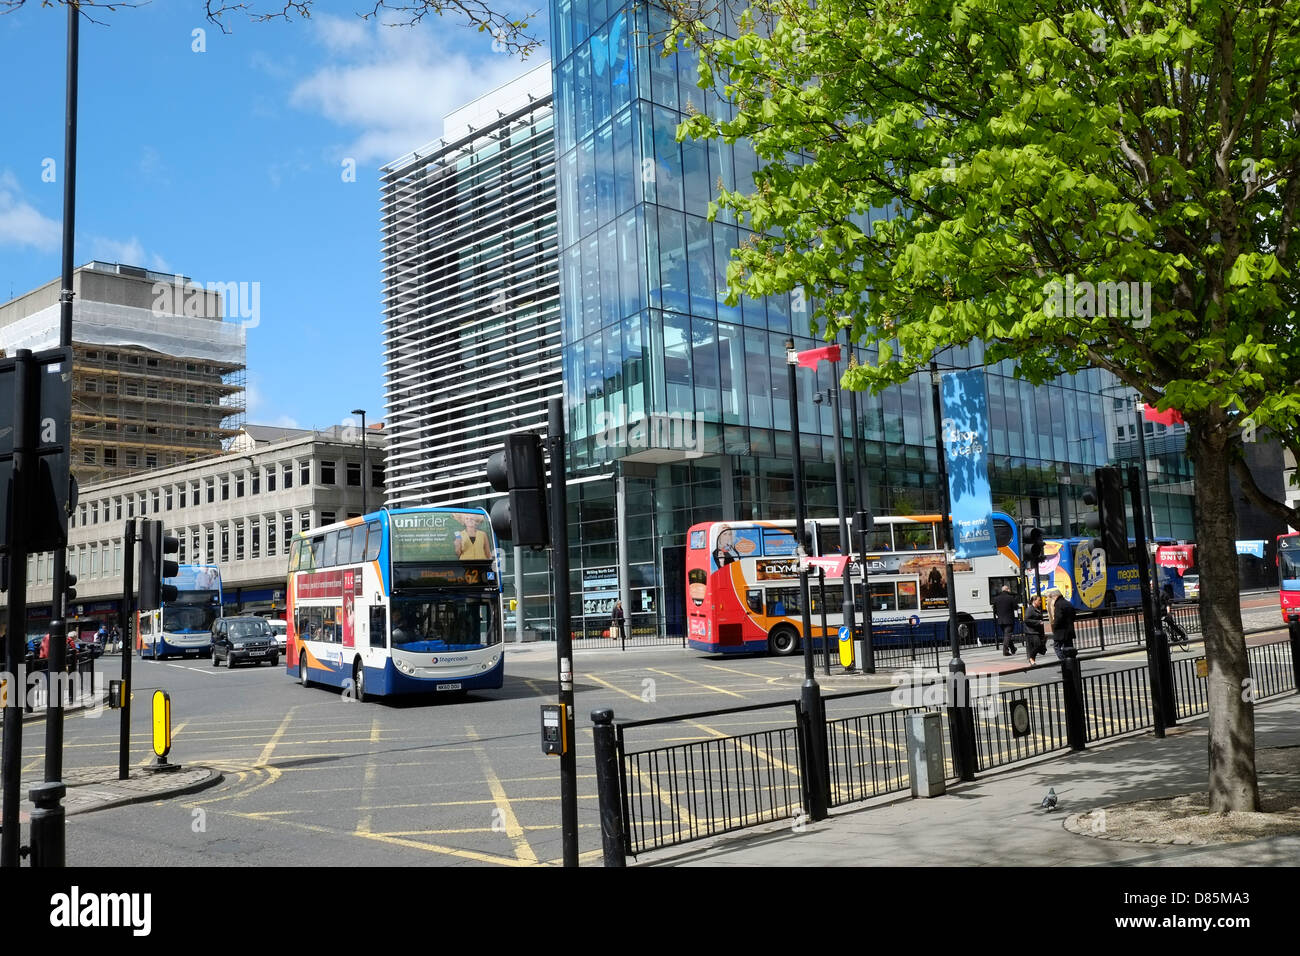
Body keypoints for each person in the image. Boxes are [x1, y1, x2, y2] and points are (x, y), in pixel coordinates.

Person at [1049, 588, 1076, 659]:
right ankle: (1072, 662)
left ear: (1055, 596)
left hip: (1060, 631)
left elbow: (1058, 618)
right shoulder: (1068, 603)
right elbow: (1074, 616)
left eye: (1052, 598)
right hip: (1069, 630)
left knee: (1056, 646)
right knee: (1069, 648)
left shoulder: (1058, 605)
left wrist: (1054, 627)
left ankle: (1064, 661)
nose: (1052, 600)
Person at [992, 584, 1018, 656]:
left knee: (1007, 635)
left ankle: (1013, 648)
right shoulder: (1010, 598)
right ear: (1007, 590)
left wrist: (999, 616)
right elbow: (1016, 607)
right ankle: (1005, 651)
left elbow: (994, 610)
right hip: (1009, 620)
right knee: (1007, 635)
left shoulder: (996, 598)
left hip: (1000, 620)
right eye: (1009, 589)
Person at [1023, 599, 1046, 663]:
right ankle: (1031, 658)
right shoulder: (1030, 609)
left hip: (1036, 631)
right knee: (1037, 645)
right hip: (1031, 631)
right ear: (1034, 601)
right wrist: (1038, 622)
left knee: (1038, 646)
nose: (1040, 602)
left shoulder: (1037, 609)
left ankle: (1032, 660)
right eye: (1039, 600)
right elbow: (1026, 620)